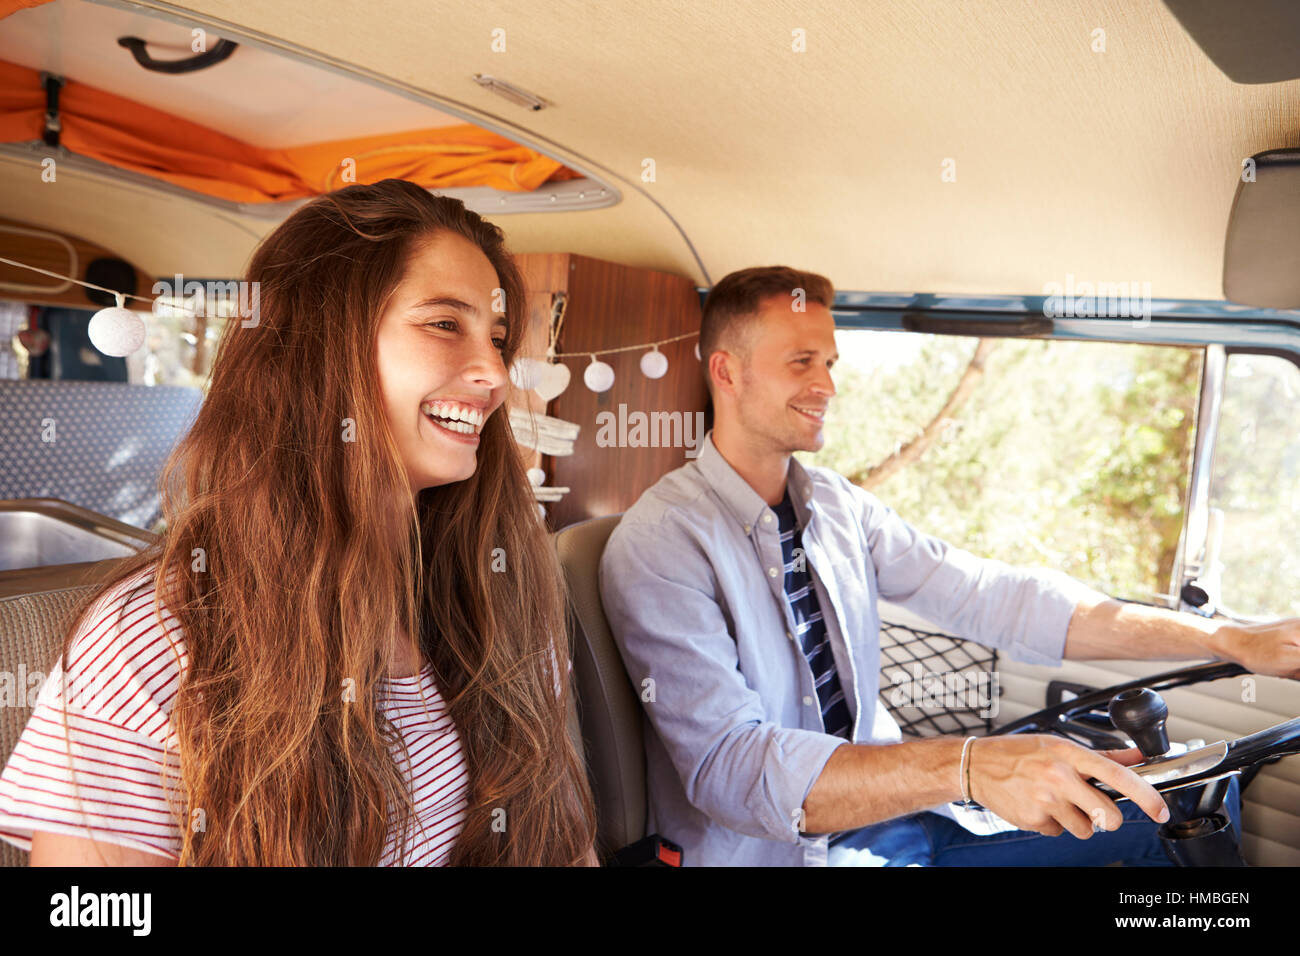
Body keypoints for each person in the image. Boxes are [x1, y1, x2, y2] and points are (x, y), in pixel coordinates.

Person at [598, 265, 1299, 866]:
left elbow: (998, 598)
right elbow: (733, 772)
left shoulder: (838, 508)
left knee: (1185, 806)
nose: (828, 386)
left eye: (831, 363)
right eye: (801, 363)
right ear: (726, 370)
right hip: (784, 852)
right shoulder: (660, 544)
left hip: (906, 818)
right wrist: (968, 765)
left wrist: (1226, 640)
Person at [0, 179, 597, 866]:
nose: (494, 372)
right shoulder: (154, 642)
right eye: (443, 323)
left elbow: (564, 843)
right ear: (317, 346)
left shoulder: (502, 600)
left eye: (497, 338)